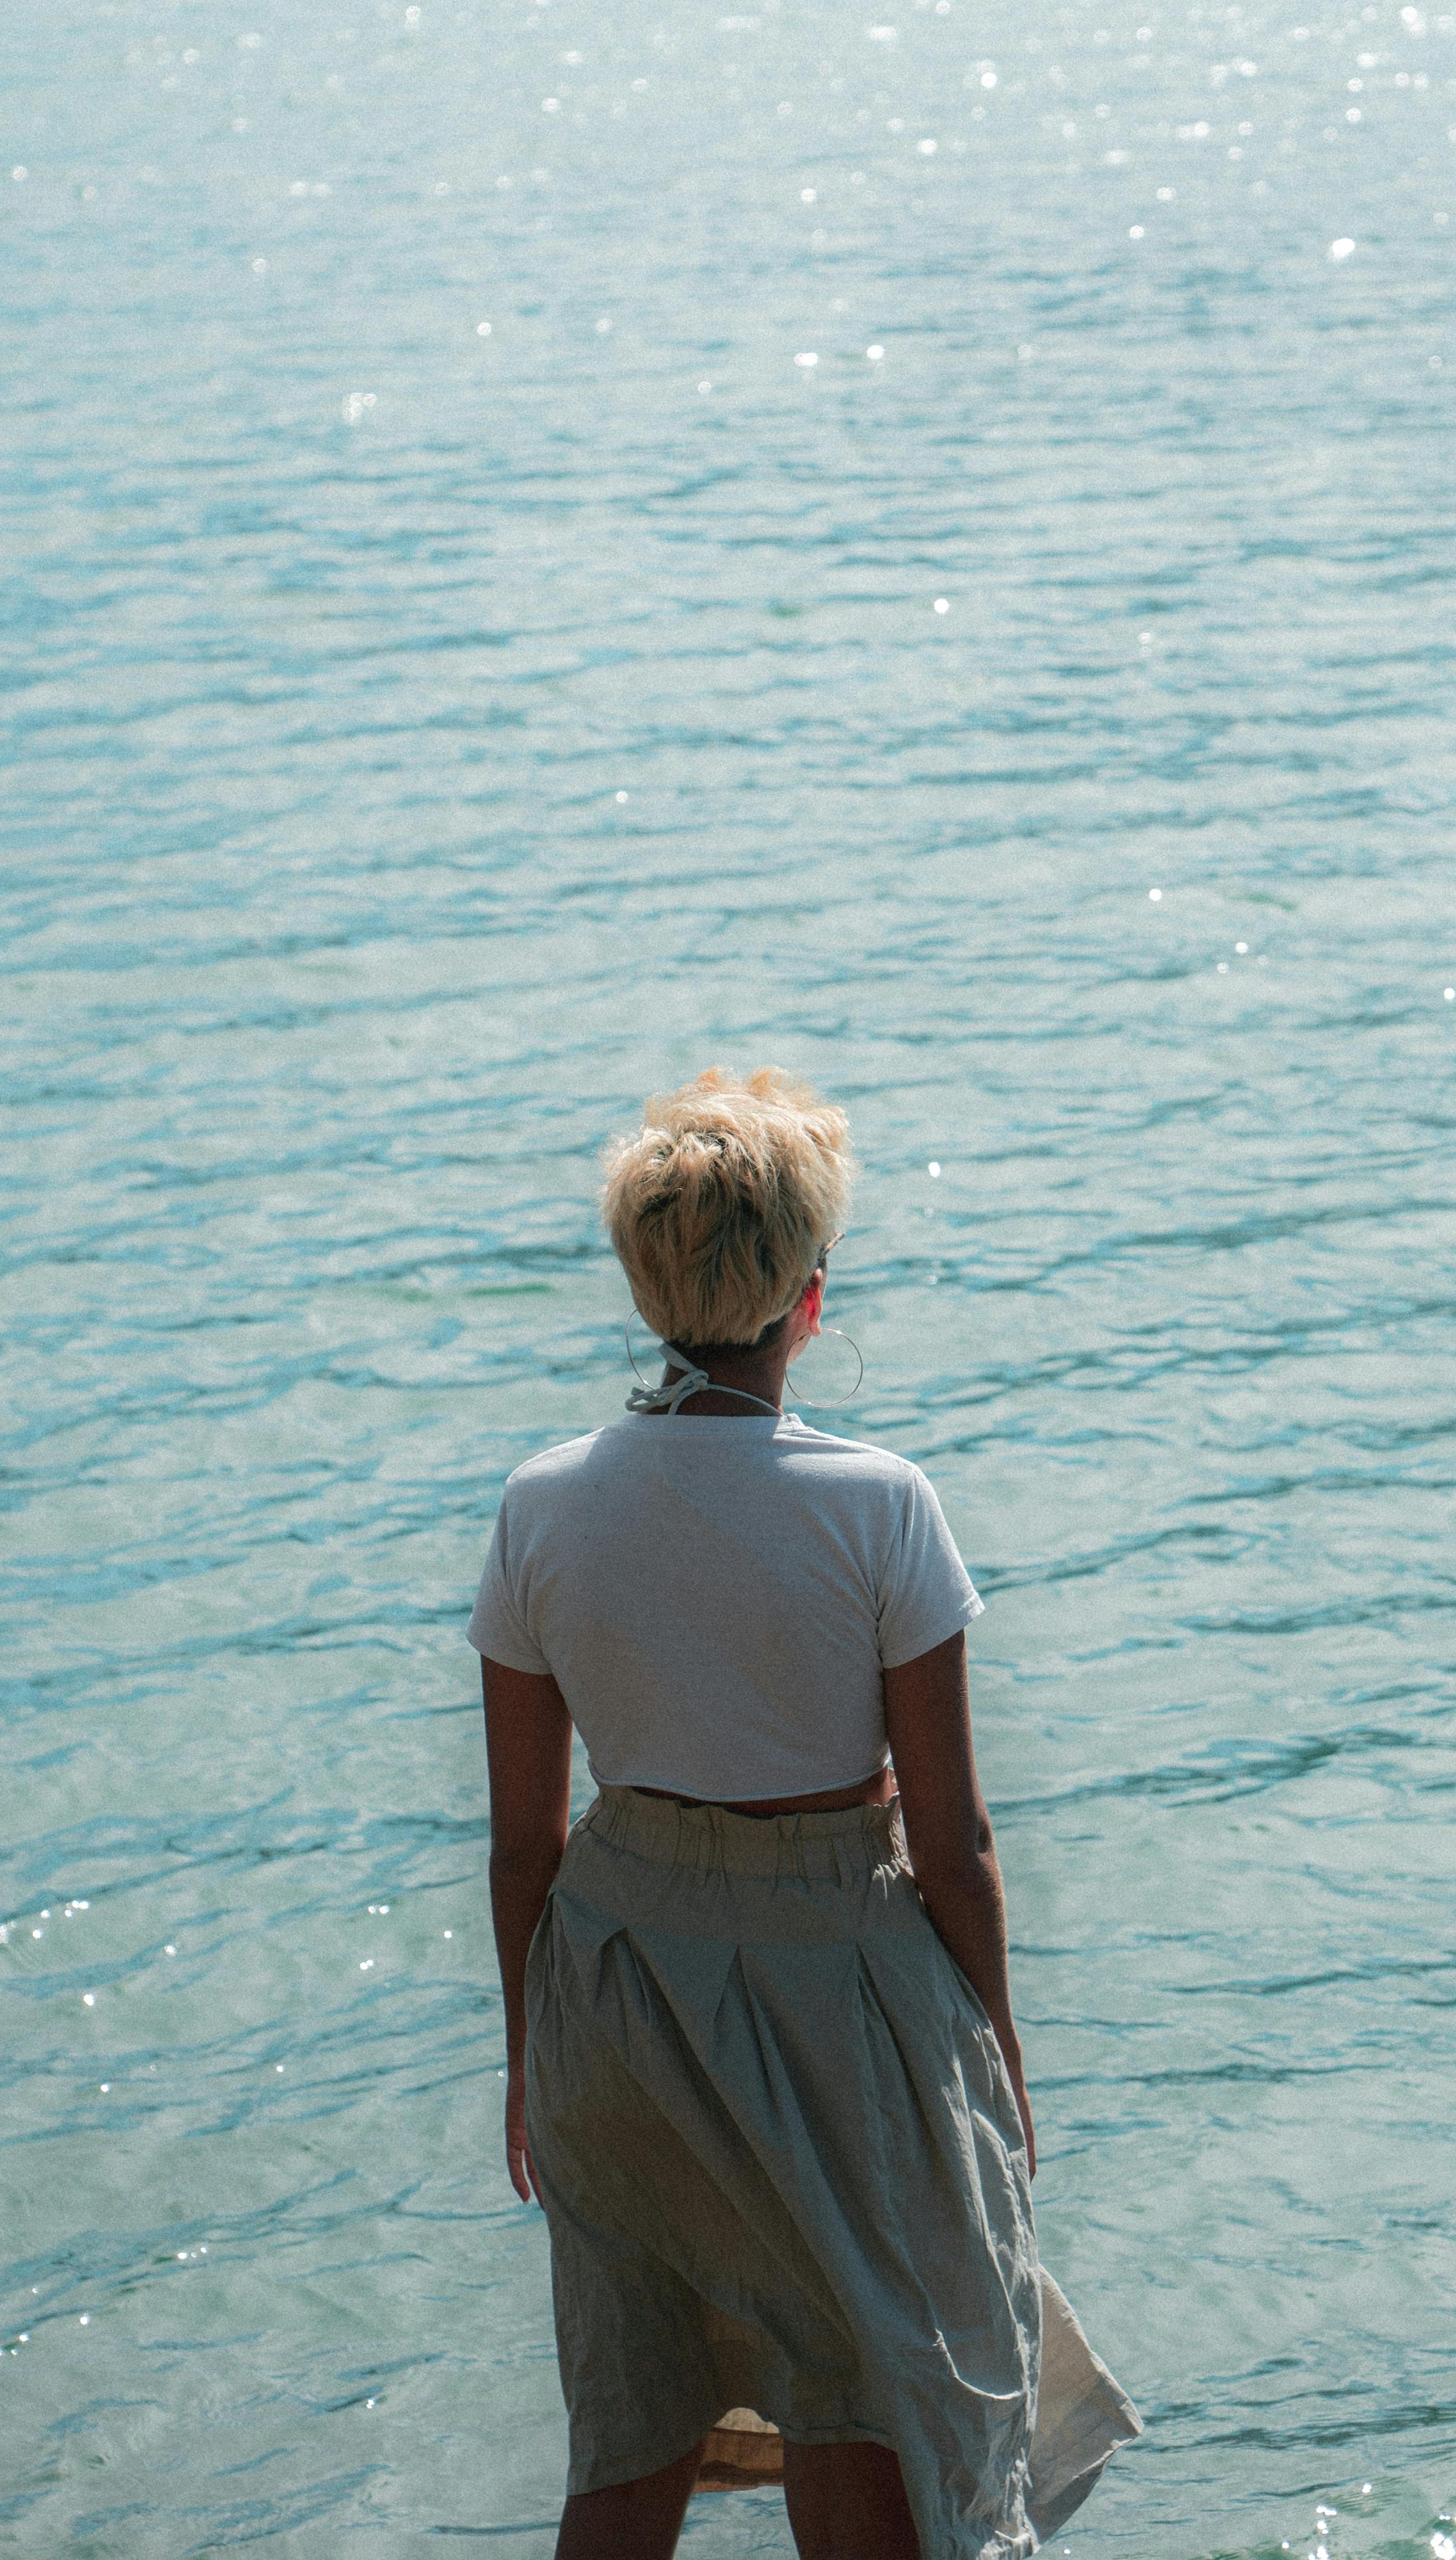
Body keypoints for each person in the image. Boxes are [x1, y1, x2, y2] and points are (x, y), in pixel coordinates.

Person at [471, 1068, 1140, 2560]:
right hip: (830, 1975)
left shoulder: (542, 1504)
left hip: (618, 1978)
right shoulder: (878, 1503)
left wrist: (529, 2049)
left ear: (645, 1283)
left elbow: (524, 1842)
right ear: (811, 1297)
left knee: (631, 2419)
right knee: (866, 2392)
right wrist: (997, 2038)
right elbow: (954, 1838)